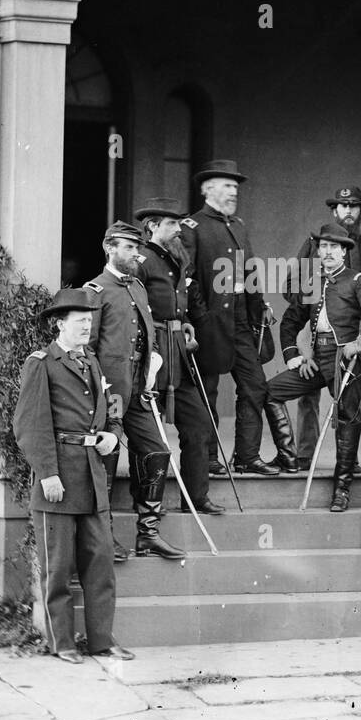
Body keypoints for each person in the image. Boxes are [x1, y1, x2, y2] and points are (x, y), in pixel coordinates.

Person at [12, 289, 133, 664]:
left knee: (100, 563)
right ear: (59, 323)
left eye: (89, 319)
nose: (87, 325)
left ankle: (101, 640)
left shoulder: (92, 362)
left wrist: (113, 435)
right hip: (59, 480)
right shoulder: (42, 363)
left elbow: (109, 410)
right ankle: (61, 642)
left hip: (93, 477)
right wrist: (47, 473)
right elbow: (30, 425)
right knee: (59, 567)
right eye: (79, 319)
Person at [179, 159, 295, 476]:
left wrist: (260, 307)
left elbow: (248, 272)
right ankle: (209, 458)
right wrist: (202, 318)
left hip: (242, 324)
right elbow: (187, 280)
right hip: (210, 327)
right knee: (208, 393)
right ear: (208, 189)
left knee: (255, 386)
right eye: (228, 186)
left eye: (235, 187)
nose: (234, 192)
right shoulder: (192, 227)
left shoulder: (238, 226)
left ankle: (246, 456)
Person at [268, 223, 361, 511]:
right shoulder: (312, 282)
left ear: (344, 251)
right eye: (323, 247)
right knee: (270, 391)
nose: (327, 252)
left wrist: (359, 343)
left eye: (333, 247)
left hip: (346, 361)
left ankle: (342, 489)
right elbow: (290, 321)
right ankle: (288, 457)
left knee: (348, 417)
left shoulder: (358, 281)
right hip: (316, 359)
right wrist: (294, 356)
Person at [85, 221, 185, 561]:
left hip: (139, 390)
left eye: (137, 247)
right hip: (108, 393)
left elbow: (146, 337)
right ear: (109, 248)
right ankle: (103, 538)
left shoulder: (138, 288)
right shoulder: (95, 291)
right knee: (106, 462)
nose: (135, 253)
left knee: (156, 452)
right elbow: (87, 349)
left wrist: (151, 365)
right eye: (128, 247)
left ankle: (148, 534)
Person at [134, 196, 224, 516]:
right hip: (150, 354)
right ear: (153, 226)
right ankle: (147, 504)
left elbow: (177, 305)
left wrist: (185, 325)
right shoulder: (142, 260)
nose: (178, 229)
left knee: (199, 423)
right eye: (172, 223)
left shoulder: (176, 257)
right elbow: (135, 311)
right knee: (148, 432)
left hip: (178, 354)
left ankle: (196, 498)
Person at [286, 185, 361, 465]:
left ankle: (347, 461)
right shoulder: (316, 243)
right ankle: (305, 457)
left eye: (354, 206)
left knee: (350, 400)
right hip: (314, 326)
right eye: (343, 206)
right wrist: (314, 293)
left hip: (349, 337)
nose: (348, 211)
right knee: (307, 390)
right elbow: (290, 286)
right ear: (334, 210)